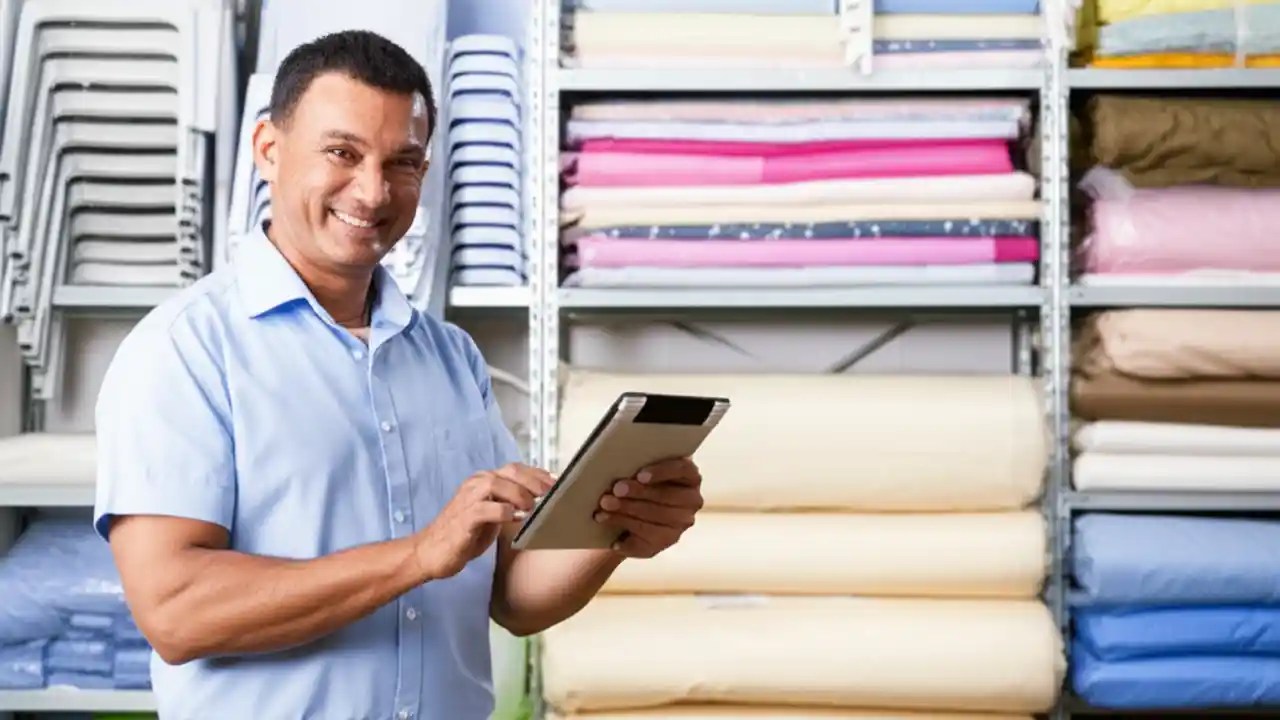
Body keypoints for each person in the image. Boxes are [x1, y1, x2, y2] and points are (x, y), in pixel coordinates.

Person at [93, 30, 705, 720]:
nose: (374, 189)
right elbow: (176, 612)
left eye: (403, 161)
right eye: (342, 153)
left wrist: (615, 531)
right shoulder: (185, 350)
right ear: (268, 148)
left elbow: (513, 598)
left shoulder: (450, 357)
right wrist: (417, 555)